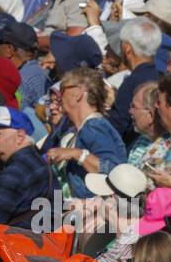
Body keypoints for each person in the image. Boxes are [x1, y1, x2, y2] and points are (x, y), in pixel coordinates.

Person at [47, 65, 128, 200]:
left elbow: (116, 171)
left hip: (97, 215)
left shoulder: (95, 127)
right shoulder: (73, 130)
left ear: (78, 93)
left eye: (63, 90)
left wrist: (76, 154)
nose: (60, 96)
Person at [0, 106, 50, 227]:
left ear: (20, 137)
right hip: (42, 241)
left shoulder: (14, 174)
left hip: (13, 242)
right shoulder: (42, 165)